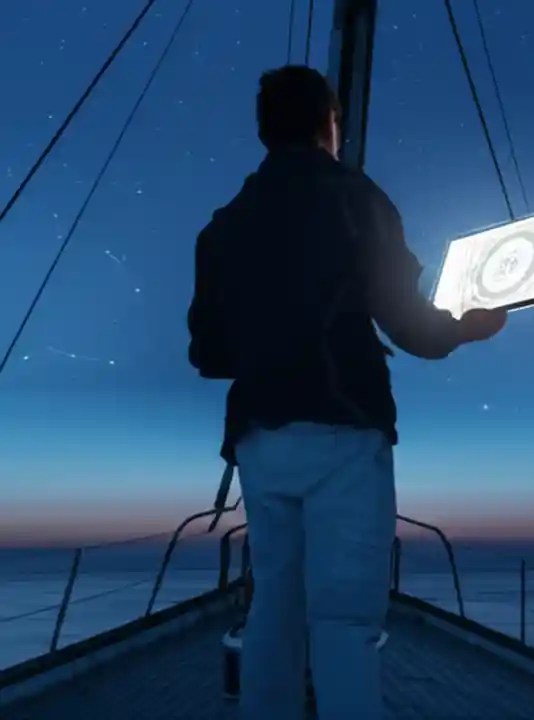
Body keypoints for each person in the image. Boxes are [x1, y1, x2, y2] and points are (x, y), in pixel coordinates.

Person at [186, 65, 506, 720]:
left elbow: (208, 352)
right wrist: (470, 326)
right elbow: (411, 325)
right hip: (344, 427)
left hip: (260, 441)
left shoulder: (222, 226)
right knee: (343, 617)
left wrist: (265, 341)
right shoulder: (357, 199)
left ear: (265, 130)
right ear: (330, 123)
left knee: (275, 604)